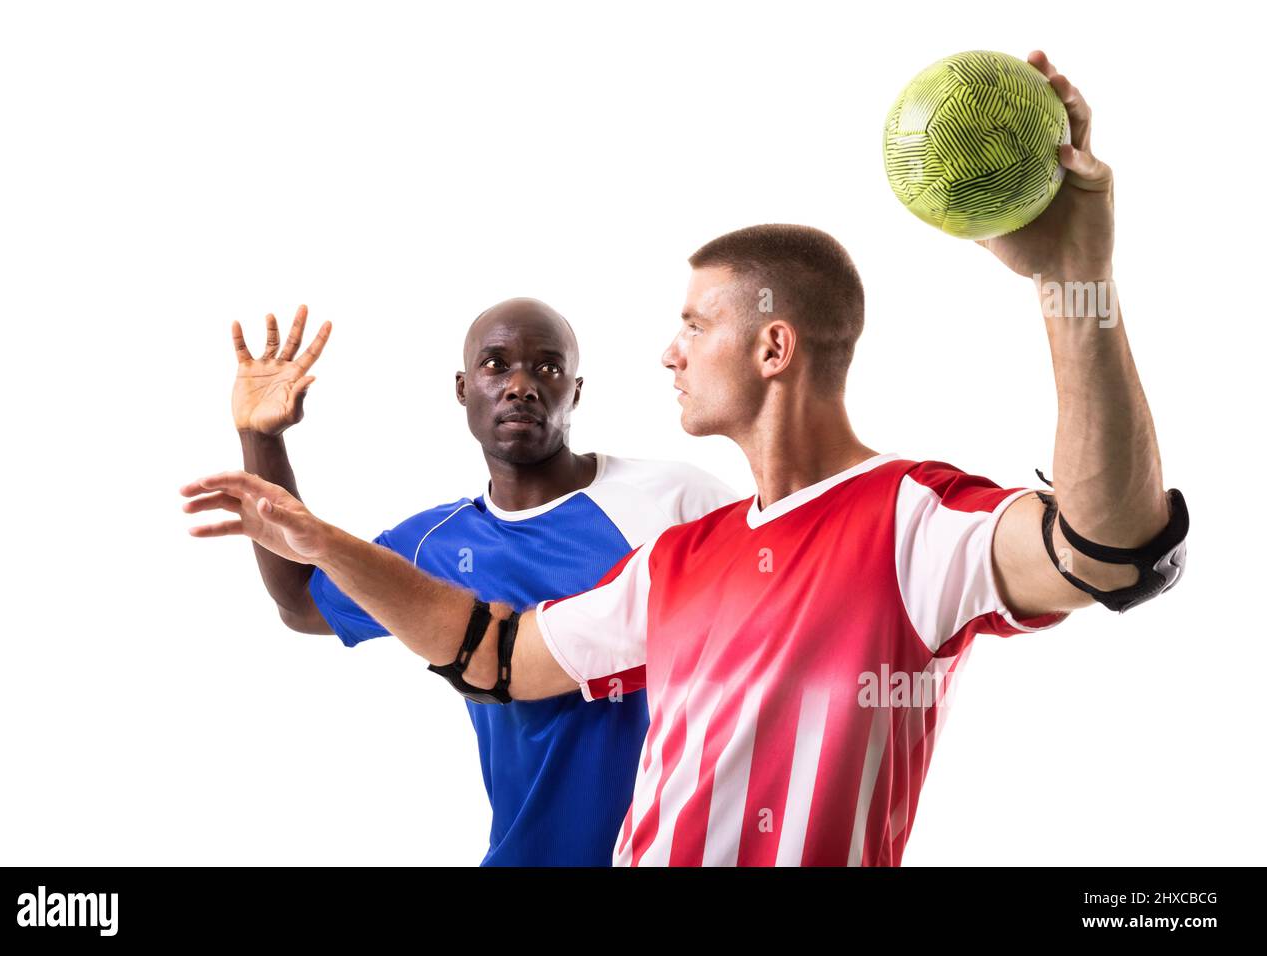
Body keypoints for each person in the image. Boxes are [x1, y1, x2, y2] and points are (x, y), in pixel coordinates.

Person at [183, 52, 1188, 865]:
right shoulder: (680, 557)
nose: (667, 349)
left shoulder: (910, 519)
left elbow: (1106, 547)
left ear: (772, 346)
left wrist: (1074, 277)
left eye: (694, 322)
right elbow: (496, 657)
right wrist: (320, 537)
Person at [213, 296, 738, 865]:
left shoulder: (677, 499)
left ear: (576, 393)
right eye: (495, 365)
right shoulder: (429, 547)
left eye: (548, 367)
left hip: (683, 850)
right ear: (462, 388)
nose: (521, 385)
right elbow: (300, 603)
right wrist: (262, 438)